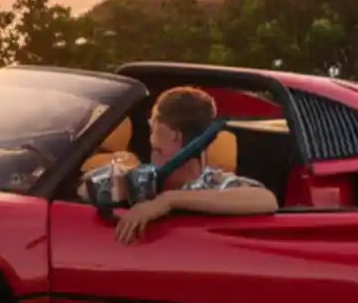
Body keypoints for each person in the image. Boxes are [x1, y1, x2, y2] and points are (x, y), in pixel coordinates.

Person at [80, 86, 279, 243]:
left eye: (158, 150)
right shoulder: (139, 181)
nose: (153, 156)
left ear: (176, 136)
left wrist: (168, 201)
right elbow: (78, 194)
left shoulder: (213, 183)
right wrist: (118, 186)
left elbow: (266, 199)